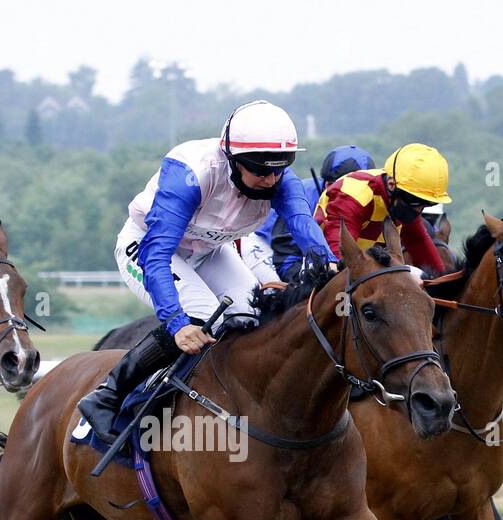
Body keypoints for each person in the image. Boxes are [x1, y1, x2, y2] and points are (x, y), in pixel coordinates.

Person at [79, 100, 335, 441]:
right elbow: (157, 255)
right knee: (199, 316)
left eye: (279, 169)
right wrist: (177, 323)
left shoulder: (278, 180)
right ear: (232, 159)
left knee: (249, 314)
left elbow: (303, 225)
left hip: (210, 249)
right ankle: (108, 395)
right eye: (260, 170)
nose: (270, 179)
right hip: (150, 248)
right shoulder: (191, 173)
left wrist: (328, 263)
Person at [241, 145, 374, 283]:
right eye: (342, 189)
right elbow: (286, 258)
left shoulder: (372, 203)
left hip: (309, 250)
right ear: (327, 184)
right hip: (267, 245)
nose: (350, 198)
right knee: (281, 295)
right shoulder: (303, 197)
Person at [315, 143, 452, 276]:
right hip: (322, 262)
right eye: (416, 201)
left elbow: (418, 243)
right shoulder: (354, 196)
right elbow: (339, 256)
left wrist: (442, 283)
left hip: (363, 264)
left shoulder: (403, 197)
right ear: (392, 185)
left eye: (427, 204)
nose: (419, 210)